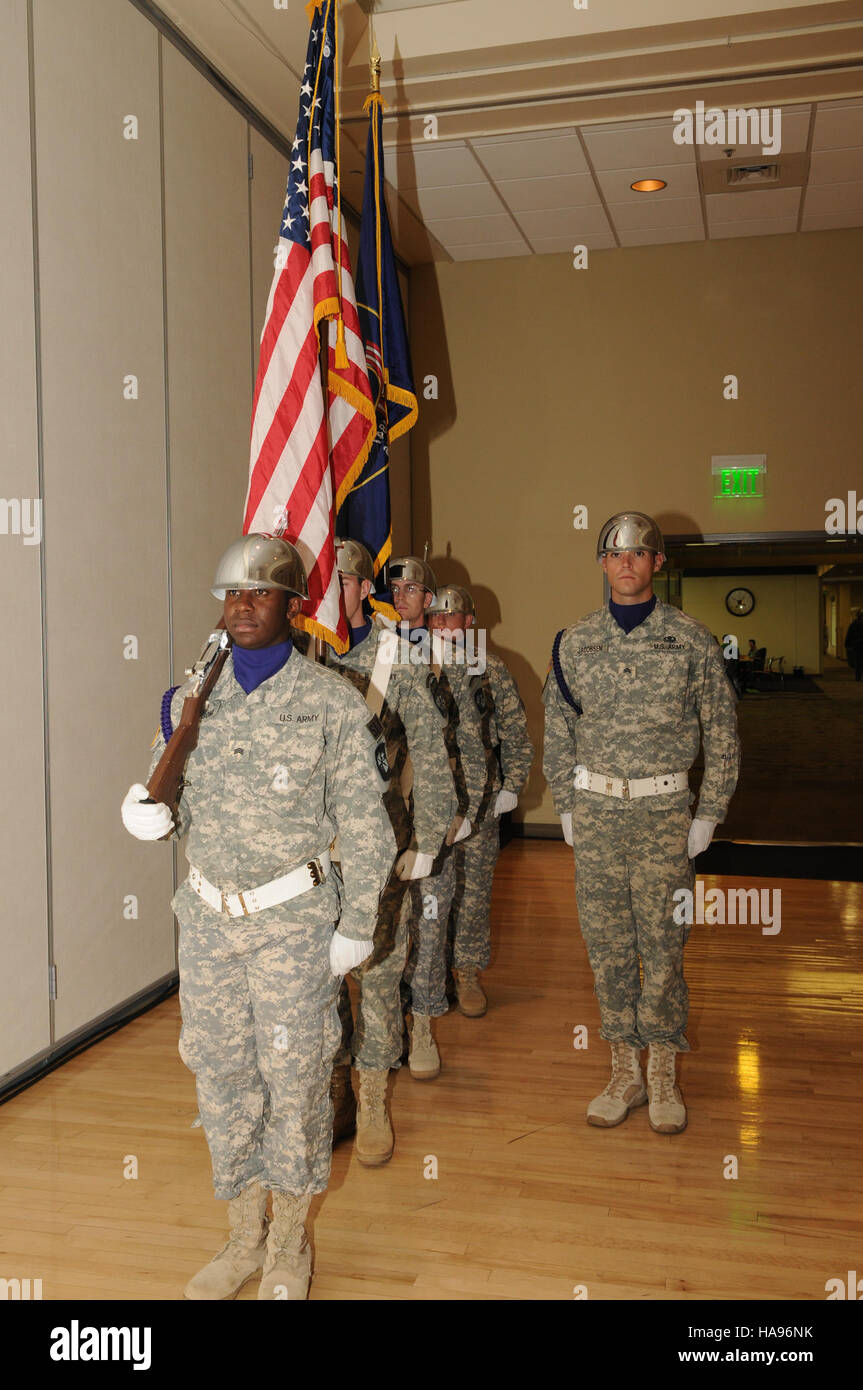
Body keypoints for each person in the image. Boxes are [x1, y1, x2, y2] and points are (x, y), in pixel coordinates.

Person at [121, 534, 395, 1300]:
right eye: (233, 594)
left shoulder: (330, 704)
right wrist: (147, 812)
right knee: (223, 1080)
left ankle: (287, 1246)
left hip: (292, 926)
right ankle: (241, 1236)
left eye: (262, 593)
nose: (243, 606)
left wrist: (357, 925)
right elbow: (162, 790)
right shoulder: (188, 701)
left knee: (297, 1081)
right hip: (208, 925)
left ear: (292, 605)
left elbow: (369, 828)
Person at [542, 512, 739, 1135]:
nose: (627, 561)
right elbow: (558, 730)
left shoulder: (692, 641)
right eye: (615, 551)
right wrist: (565, 804)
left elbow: (724, 734)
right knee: (606, 948)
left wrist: (708, 812)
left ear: (657, 563)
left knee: (663, 946)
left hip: (663, 818)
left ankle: (661, 1072)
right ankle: (622, 1068)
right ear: (602, 564)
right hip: (598, 817)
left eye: (640, 551)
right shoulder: (574, 642)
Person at [324, 538, 456, 1164]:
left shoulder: (396, 657)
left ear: (361, 587)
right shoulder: (295, 657)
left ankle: (374, 1095)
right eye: (323, 581)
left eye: (344, 581)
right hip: (311, 855)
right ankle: (333, 1092)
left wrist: (429, 840)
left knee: (377, 975)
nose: (333, 592)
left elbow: (430, 754)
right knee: (317, 983)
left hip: (379, 845)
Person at [426, 585, 534, 1017]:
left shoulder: (491, 669)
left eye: (449, 617)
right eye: (434, 618)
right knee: (432, 901)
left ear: (469, 623)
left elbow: (516, 733)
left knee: (472, 894)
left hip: (481, 806)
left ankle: (466, 971)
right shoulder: (414, 670)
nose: (441, 625)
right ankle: (428, 979)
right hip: (431, 810)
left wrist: (512, 786)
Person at [388, 555, 474, 1079]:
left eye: (413, 587)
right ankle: (389, 1022)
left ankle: (422, 1022)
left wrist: (461, 809)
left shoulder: (454, 659)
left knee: (432, 915)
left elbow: (469, 737)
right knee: (391, 924)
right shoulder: (376, 652)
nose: (401, 594)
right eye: (394, 586)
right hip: (384, 812)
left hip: (434, 806)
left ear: (430, 598)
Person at [845, 608, 863, 681]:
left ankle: (858, 677)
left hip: (856, 645)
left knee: (857, 661)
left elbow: (849, 635)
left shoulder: (853, 624)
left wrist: (847, 644)